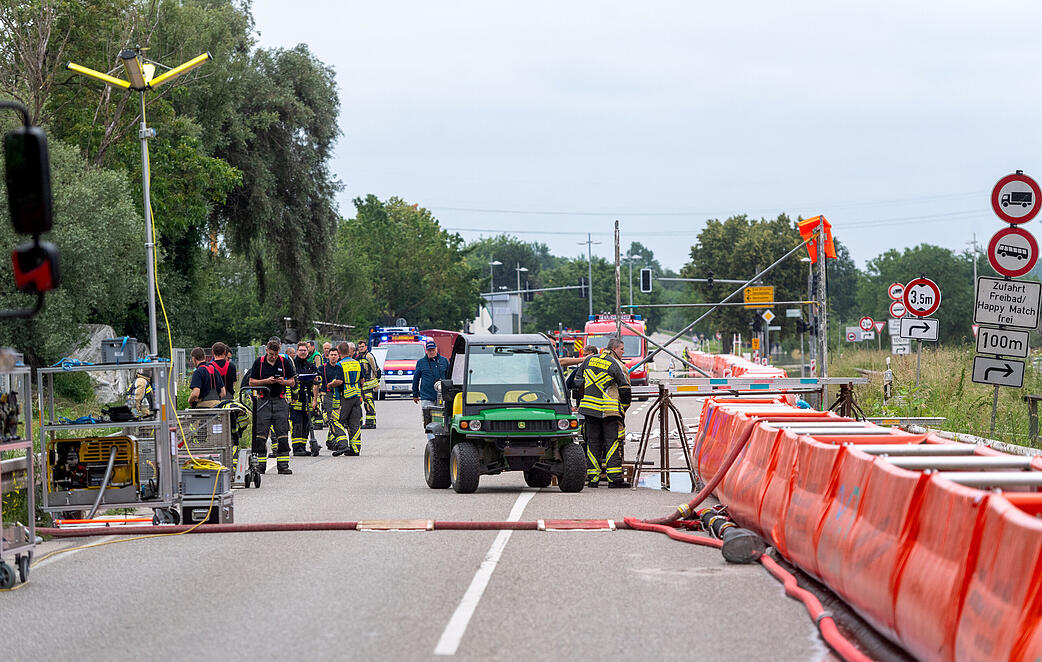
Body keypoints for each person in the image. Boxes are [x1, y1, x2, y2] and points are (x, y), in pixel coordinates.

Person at [573, 337, 632, 488]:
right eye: (621, 349)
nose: (623, 353)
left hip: (589, 410)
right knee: (611, 443)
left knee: (592, 443)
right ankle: (614, 479)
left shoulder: (589, 360)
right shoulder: (616, 364)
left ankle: (592, 479)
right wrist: (623, 408)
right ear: (614, 349)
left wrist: (582, 403)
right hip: (609, 411)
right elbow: (625, 388)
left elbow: (577, 382)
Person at [249, 339, 297, 474]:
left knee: (282, 434)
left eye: (276, 354)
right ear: (266, 351)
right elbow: (251, 382)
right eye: (271, 354)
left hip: (280, 401)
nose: (273, 357)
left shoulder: (284, 362)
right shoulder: (259, 363)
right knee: (260, 436)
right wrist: (266, 381)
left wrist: (284, 381)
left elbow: (293, 382)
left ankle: (283, 466)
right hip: (263, 401)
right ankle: (260, 466)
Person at [333, 341, 363, 456]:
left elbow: (340, 381)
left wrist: (331, 384)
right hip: (356, 396)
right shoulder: (357, 363)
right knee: (354, 423)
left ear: (339, 352)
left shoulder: (340, 364)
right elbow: (362, 380)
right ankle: (355, 449)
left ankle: (343, 445)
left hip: (346, 396)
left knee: (338, 420)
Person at [289, 342, 317, 456]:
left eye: (305, 350)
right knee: (297, 424)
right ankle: (296, 448)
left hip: (307, 399)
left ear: (308, 351)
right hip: (296, 399)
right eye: (301, 350)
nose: (303, 352)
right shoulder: (293, 365)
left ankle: (303, 447)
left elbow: (316, 378)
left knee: (306, 423)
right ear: (297, 351)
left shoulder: (310, 365)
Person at [315, 347, 346, 450]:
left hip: (339, 396)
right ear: (327, 356)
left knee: (336, 419)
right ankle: (338, 440)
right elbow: (316, 383)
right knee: (329, 419)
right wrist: (315, 399)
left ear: (338, 356)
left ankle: (330, 441)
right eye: (331, 355)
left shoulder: (340, 367)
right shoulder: (322, 368)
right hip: (326, 396)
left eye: (335, 355)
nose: (333, 357)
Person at [412, 340, 449, 424]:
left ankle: (440, 436)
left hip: (442, 396)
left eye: (433, 350)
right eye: (429, 350)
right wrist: (415, 394)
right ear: (426, 351)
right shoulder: (421, 362)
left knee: (442, 419)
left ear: (436, 350)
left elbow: (450, 377)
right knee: (428, 419)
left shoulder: (444, 361)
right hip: (427, 396)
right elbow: (416, 379)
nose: (431, 352)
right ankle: (431, 437)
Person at [356, 339, 380, 429]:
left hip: (369, 383)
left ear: (366, 347)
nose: (361, 348)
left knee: (369, 402)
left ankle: (371, 422)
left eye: (362, 347)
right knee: (365, 402)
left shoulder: (369, 356)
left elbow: (375, 368)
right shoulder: (358, 357)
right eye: (359, 347)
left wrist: (377, 379)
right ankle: (369, 422)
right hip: (362, 384)